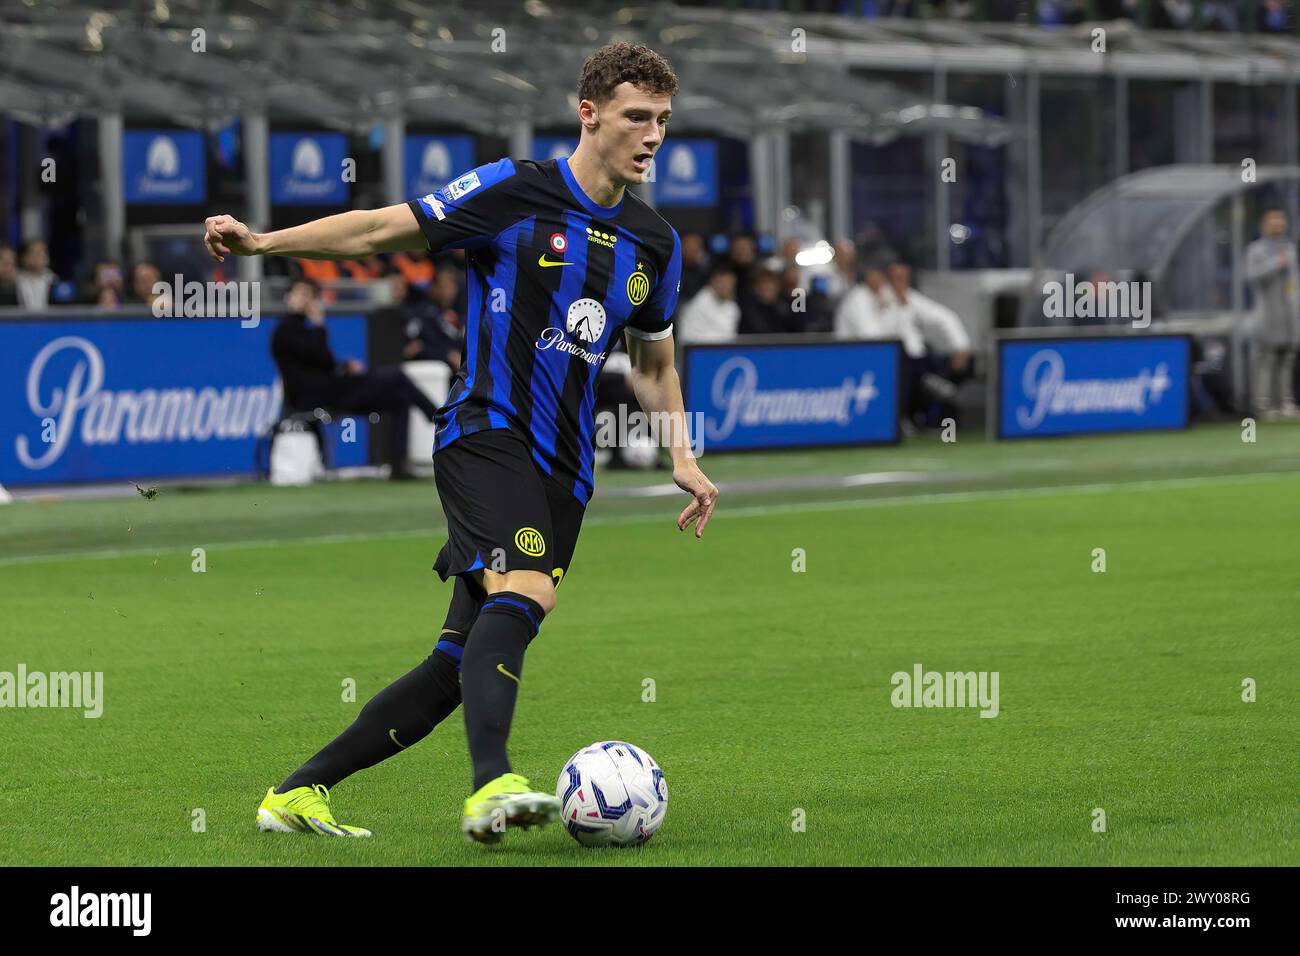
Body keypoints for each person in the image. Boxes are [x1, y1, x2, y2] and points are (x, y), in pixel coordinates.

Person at [203, 41, 717, 845]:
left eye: (663, 121)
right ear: (589, 115)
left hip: (567, 474)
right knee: (530, 591)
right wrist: (266, 245)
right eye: (636, 118)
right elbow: (382, 228)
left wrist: (681, 454)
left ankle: (297, 793)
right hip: (486, 432)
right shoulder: (514, 192)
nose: (653, 135)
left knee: (456, 660)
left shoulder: (655, 242)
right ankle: (492, 787)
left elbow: (653, 362)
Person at [270, 277, 439, 479]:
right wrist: (319, 325)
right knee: (396, 376)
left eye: (309, 295)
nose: (304, 299)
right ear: (288, 297)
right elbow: (320, 357)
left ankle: (398, 466)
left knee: (399, 399)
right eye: (300, 294)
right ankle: (439, 419)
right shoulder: (285, 330)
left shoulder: (302, 329)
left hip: (331, 389)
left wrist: (343, 366)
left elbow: (321, 363)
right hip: (318, 395)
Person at [1245, 208, 1300, 419]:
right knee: (1266, 360)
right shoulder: (1256, 250)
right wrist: (1276, 263)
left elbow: (1293, 281)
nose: (1278, 225)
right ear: (1265, 225)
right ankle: (1263, 405)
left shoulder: (1289, 248)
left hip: (1290, 314)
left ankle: (1285, 402)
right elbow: (1252, 276)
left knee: (1287, 360)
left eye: (1281, 221)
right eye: (1274, 222)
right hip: (1267, 314)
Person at [678, 262, 739, 342]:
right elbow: (687, 336)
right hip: (699, 352)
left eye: (729, 284)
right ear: (712, 282)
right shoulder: (697, 304)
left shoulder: (733, 308)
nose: (726, 287)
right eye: (722, 283)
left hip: (725, 352)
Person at [738, 261, 795, 335]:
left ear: (777, 287)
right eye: (763, 283)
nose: (766, 287)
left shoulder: (786, 309)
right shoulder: (747, 311)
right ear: (756, 287)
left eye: (770, 283)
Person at [15, 239, 57, 311]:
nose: (40, 257)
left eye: (43, 253)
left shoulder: (54, 281)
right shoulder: (15, 279)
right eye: (34, 253)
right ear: (24, 257)